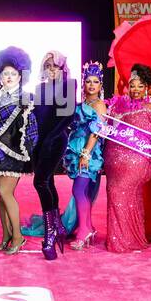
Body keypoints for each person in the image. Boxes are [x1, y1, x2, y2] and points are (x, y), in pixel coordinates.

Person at [103, 64, 151, 253]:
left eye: (140, 85)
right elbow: (107, 129)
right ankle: (133, 238)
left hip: (139, 160)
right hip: (114, 160)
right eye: (132, 85)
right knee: (125, 196)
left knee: (119, 192)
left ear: (147, 87)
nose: (135, 89)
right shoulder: (118, 106)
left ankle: (120, 242)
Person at [0, 47, 39, 254]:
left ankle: (18, 237)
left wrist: (29, 151)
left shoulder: (26, 97)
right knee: (1, 195)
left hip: (13, 153)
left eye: (13, 73)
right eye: (5, 73)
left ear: (21, 76)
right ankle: (6, 235)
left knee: (6, 192)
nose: (9, 77)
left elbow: (32, 129)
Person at [29, 51, 79, 260]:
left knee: (39, 182)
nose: (51, 70)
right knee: (47, 181)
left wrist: (50, 139)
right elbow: (38, 117)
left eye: (55, 66)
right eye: (48, 66)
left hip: (57, 139)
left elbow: (67, 117)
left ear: (62, 69)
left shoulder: (68, 86)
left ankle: (50, 233)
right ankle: (57, 226)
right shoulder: (40, 89)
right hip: (40, 141)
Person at [63, 61, 107, 251]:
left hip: (90, 152)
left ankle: (84, 231)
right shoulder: (83, 104)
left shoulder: (99, 105)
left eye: (95, 82)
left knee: (79, 191)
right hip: (77, 149)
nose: (91, 85)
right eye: (88, 81)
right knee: (81, 191)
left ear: (100, 85)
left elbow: (97, 132)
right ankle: (87, 228)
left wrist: (86, 153)